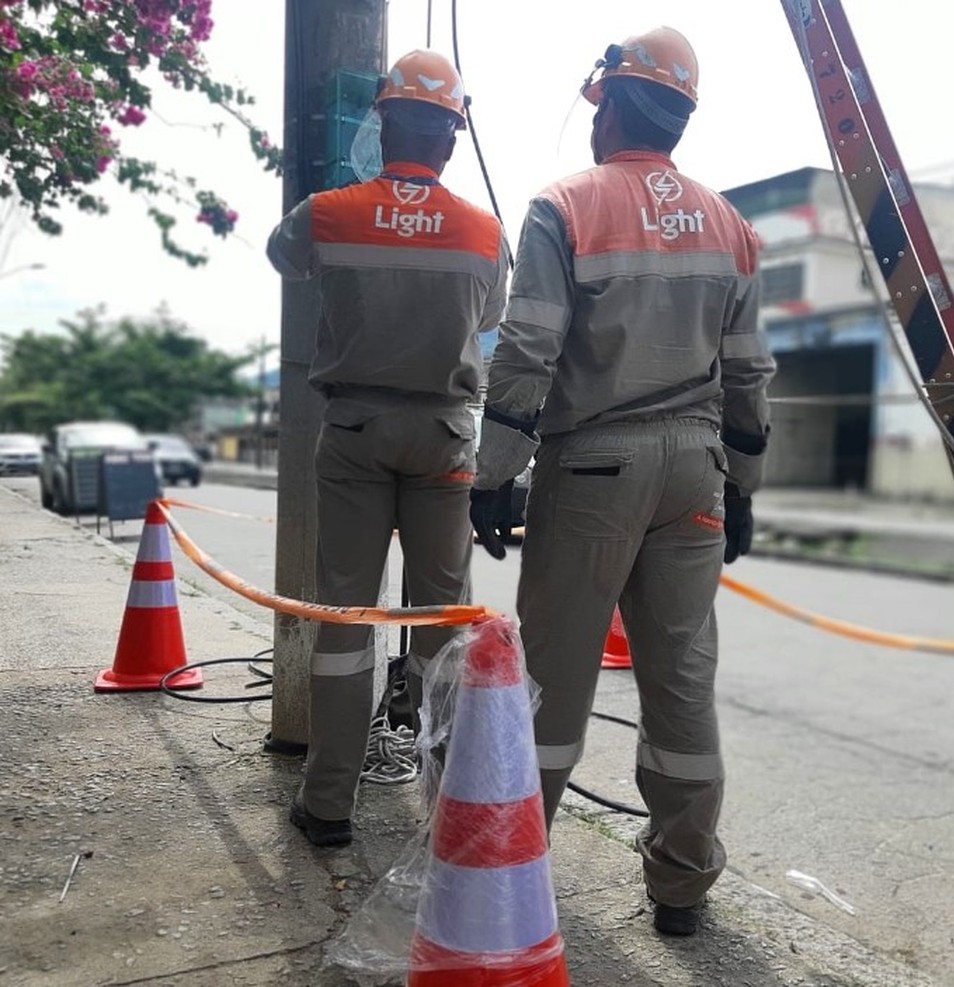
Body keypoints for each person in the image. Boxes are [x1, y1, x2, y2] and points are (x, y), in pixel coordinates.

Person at [470, 27, 776, 935]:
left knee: (554, 684)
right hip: (697, 467)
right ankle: (681, 888)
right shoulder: (733, 226)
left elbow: (527, 346)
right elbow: (751, 374)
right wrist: (745, 485)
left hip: (594, 463)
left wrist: (494, 473)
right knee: (681, 679)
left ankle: (507, 879)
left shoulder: (565, 205)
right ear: (679, 120)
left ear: (610, 106)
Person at [267, 49, 509, 847]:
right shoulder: (483, 233)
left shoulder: (327, 211)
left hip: (355, 432)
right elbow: (488, 315)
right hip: (444, 437)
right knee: (442, 621)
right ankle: (445, 803)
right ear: (451, 136)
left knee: (346, 615)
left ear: (382, 122)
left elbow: (284, 256)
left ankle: (329, 802)